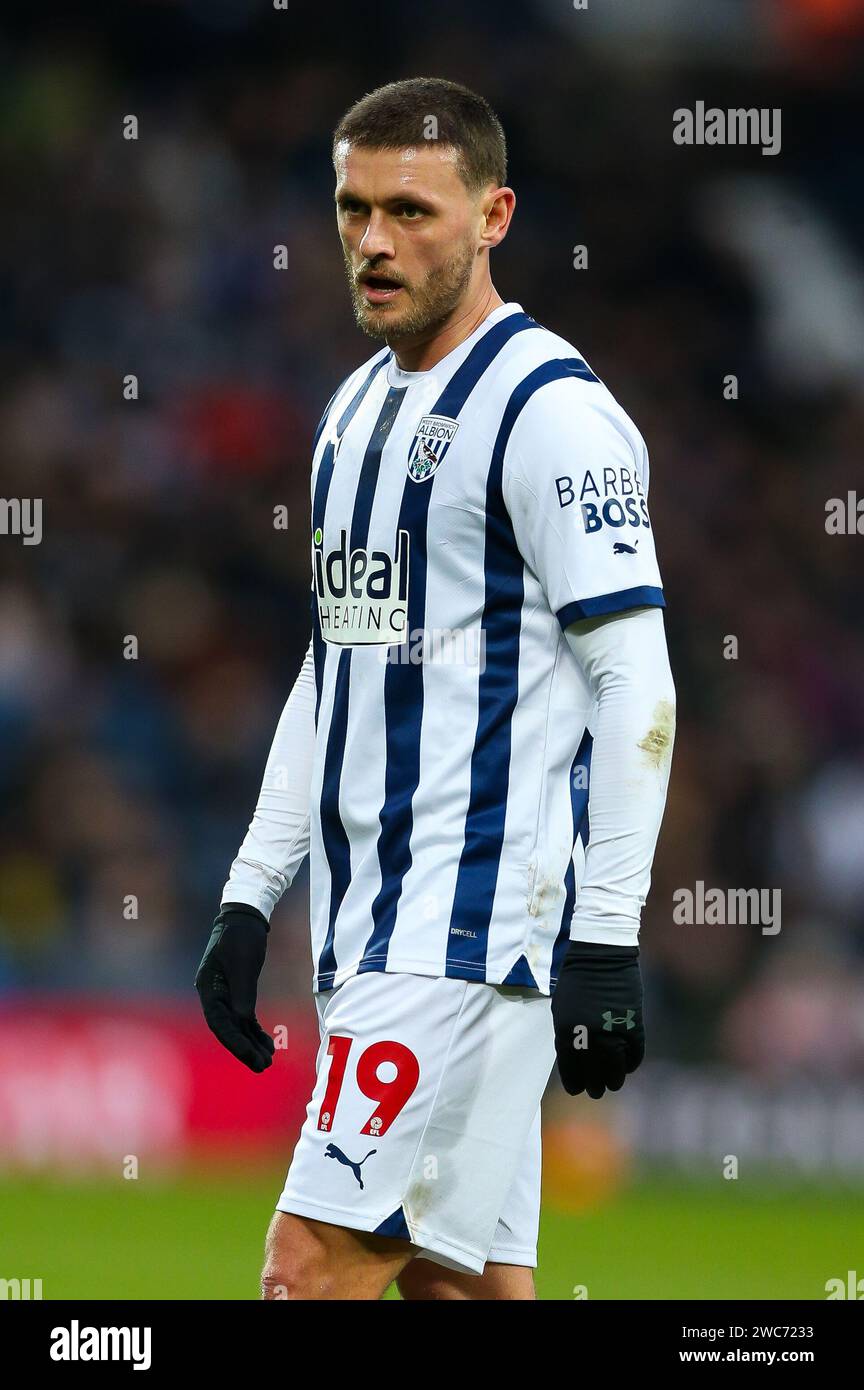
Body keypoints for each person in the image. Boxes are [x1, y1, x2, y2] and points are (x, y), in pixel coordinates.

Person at [195, 76, 675, 1301]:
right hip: (372, 925)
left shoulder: (550, 412)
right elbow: (336, 664)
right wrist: (251, 893)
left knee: (306, 1271)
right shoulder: (353, 412)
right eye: (352, 209)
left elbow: (637, 679)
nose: (373, 241)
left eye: (410, 210)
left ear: (494, 216)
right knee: (460, 1286)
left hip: (466, 930)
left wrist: (607, 933)